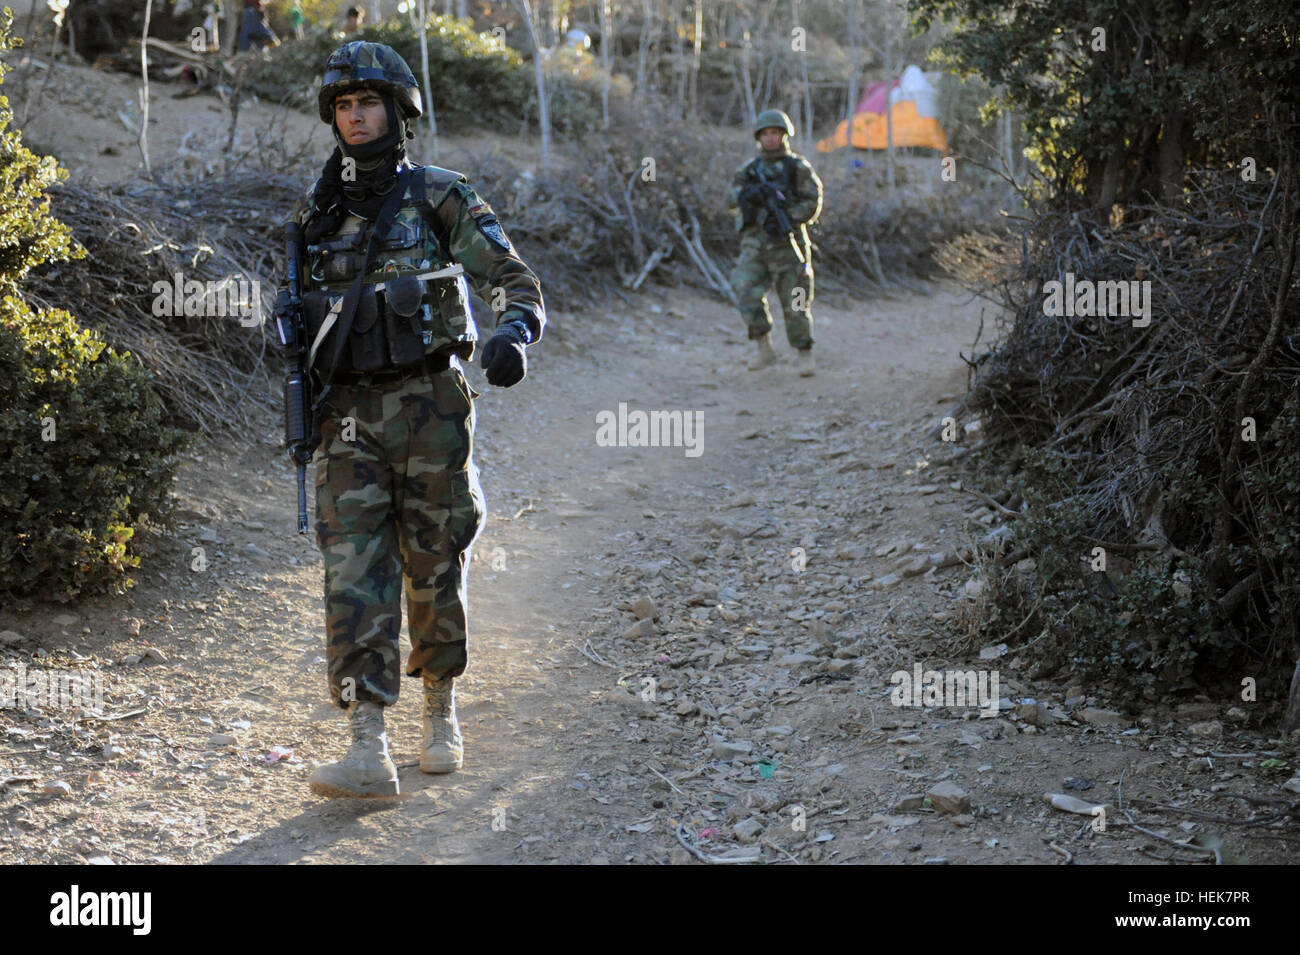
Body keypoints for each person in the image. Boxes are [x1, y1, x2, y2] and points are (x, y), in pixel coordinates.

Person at [277, 41, 545, 798]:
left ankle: (439, 713)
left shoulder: (439, 195)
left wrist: (512, 333)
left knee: (435, 561)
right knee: (353, 570)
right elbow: (296, 316)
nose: (355, 117)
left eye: (368, 103)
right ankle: (367, 742)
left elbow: (513, 278)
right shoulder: (312, 214)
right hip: (346, 416)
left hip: (431, 405)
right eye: (343, 105)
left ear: (399, 110)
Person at [727, 108, 823, 376]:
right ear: (759, 137)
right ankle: (764, 348)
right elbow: (730, 197)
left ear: (784, 135)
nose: (771, 139)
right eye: (766, 134)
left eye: (775, 133)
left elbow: (812, 201)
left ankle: (804, 351)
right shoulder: (749, 170)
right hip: (755, 245)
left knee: (796, 301)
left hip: (787, 243)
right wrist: (750, 197)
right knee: (745, 290)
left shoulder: (798, 168)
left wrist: (788, 216)